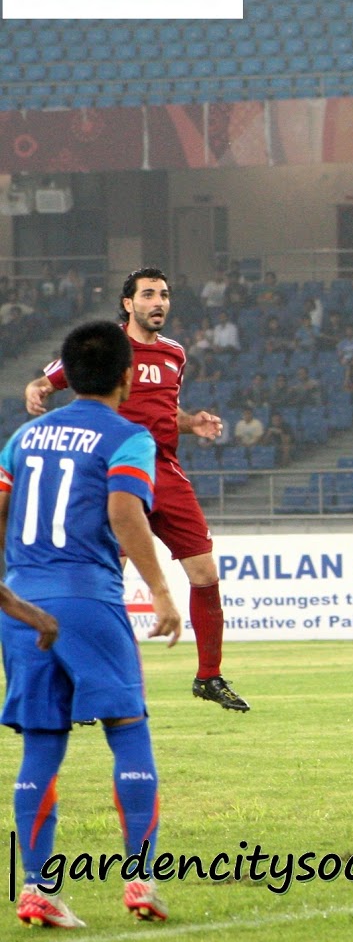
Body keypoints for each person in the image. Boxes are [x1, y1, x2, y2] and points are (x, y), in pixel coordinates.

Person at [3, 321, 185, 926]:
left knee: (41, 743)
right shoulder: (128, 436)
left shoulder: (23, 437)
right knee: (127, 728)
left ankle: (37, 888)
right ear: (127, 376)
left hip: (23, 606)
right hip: (87, 600)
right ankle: (141, 881)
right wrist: (161, 590)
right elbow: (125, 511)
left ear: (70, 374)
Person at [25, 269, 249, 712]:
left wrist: (191, 422)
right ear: (128, 303)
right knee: (104, 580)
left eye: (163, 294)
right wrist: (37, 389)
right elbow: (48, 379)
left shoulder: (175, 353)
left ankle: (209, 676)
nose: (158, 302)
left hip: (164, 471)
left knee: (205, 572)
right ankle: (84, 684)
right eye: (148, 294)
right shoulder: (104, 347)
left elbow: (164, 410)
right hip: (113, 473)